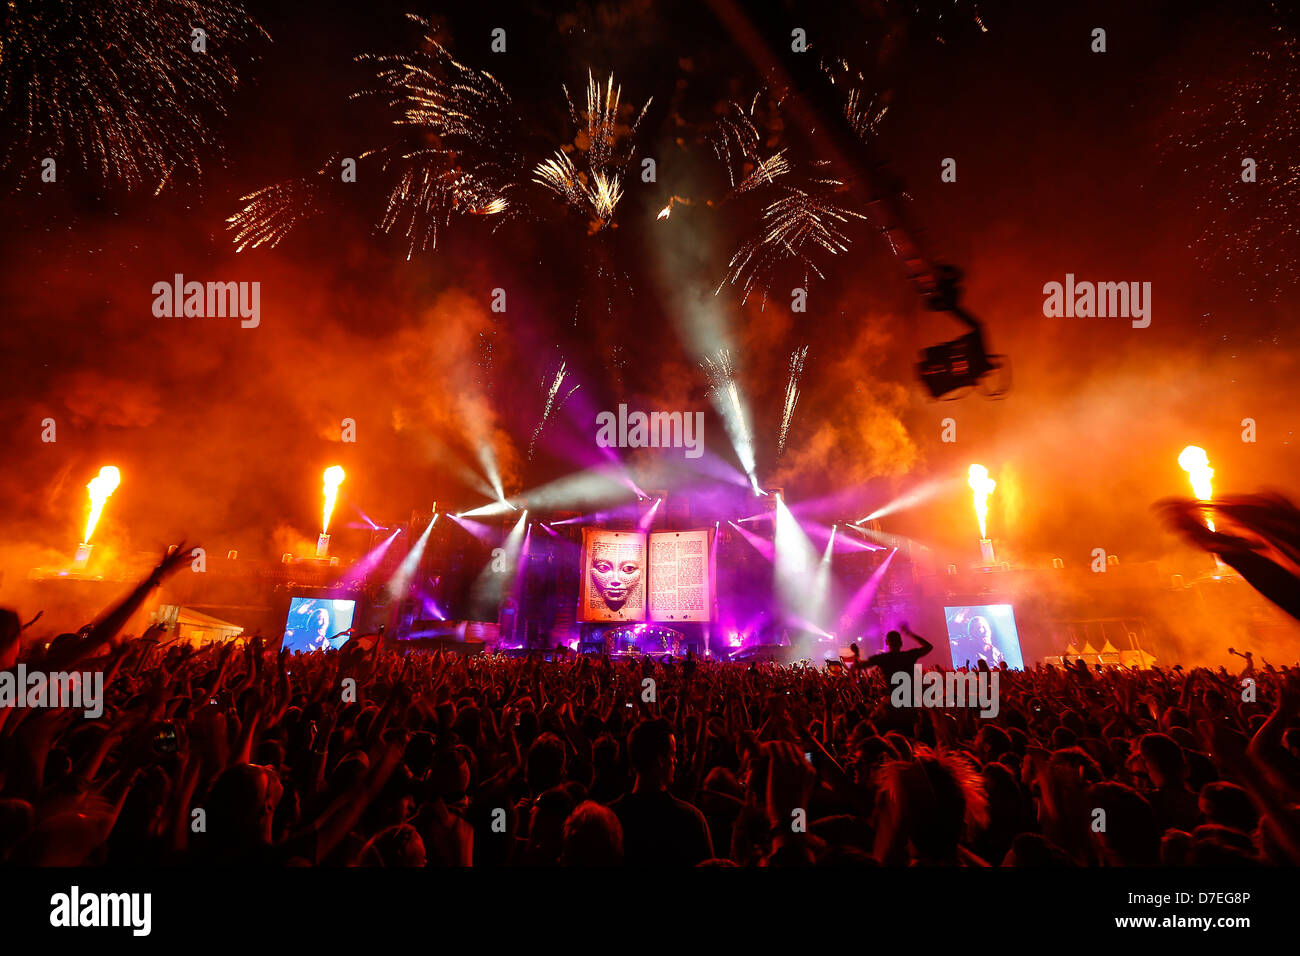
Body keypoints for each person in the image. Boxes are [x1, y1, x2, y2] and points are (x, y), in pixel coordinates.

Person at [608, 719, 712, 866]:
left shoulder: (610, 818)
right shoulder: (690, 820)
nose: (675, 761)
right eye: (673, 754)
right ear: (660, 759)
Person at [865, 623, 933, 684]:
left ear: (886, 642)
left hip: (895, 697)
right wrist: (909, 633)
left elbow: (860, 666)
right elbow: (929, 647)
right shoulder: (908, 656)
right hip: (910, 697)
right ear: (901, 643)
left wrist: (857, 655)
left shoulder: (883, 658)